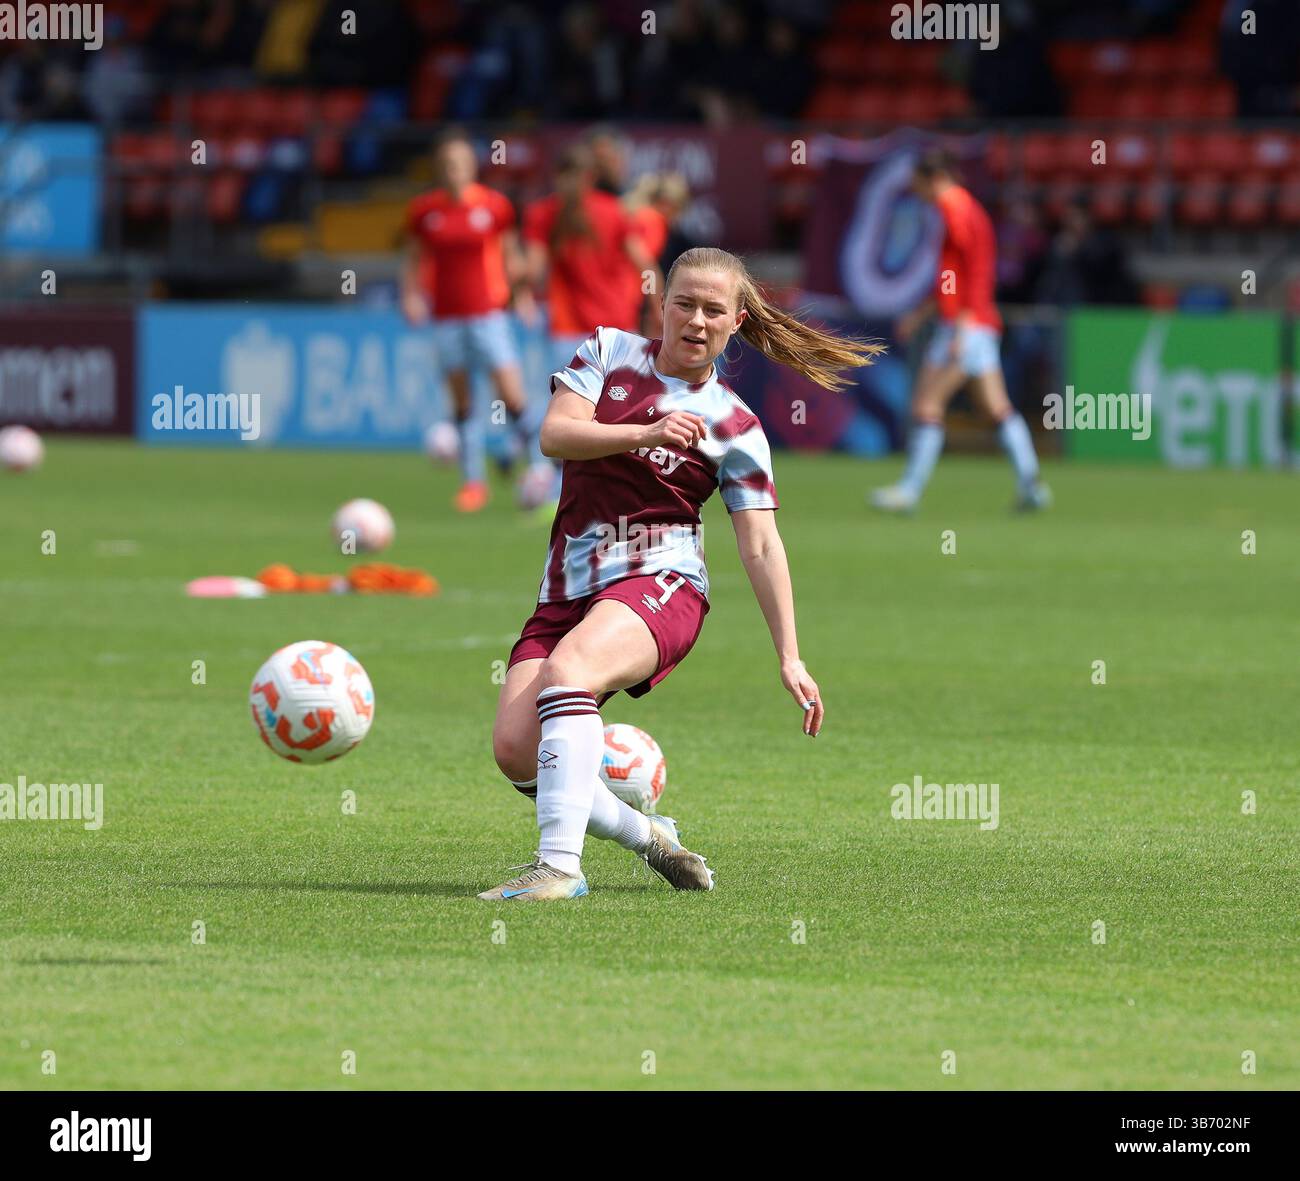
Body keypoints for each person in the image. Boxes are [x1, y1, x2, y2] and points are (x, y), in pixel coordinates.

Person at [480, 246, 884, 902]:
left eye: (713, 310)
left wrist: (791, 654)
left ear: (738, 321)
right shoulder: (609, 352)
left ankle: (557, 869)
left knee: (571, 672)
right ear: (661, 305)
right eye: (684, 303)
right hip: (567, 585)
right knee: (516, 749)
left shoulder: (737, 425)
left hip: (663, 584)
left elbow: (759, 544)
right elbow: (555, 435)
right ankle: (648, 835)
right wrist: (646, 432)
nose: (696, 319)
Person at [871, 149, 1051, 514]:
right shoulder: (962, 210)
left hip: (965, 327)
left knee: (926, 404)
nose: (916, 192)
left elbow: (977, 274)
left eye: (918, 184)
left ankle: (909, 491)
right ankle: (1032, 485)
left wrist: (962, 326)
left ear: (932, 179)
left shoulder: (956, 211)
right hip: (977, 324)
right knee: (996, 407)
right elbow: (954, 277)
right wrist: (925, 313)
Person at [402, 130, 547, 512]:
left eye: (460, 164)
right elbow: (415, 259)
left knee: (512, 397)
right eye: (447, 165)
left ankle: (539, 470)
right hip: (446, 318)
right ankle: (473, 483)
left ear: (471, 167)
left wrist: (523, 297)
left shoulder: (494, 207)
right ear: (439, 168)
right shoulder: (424, 211)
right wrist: (412, 295)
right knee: (463, 403)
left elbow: (510, 257)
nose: (454, 171)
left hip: (488, 314)